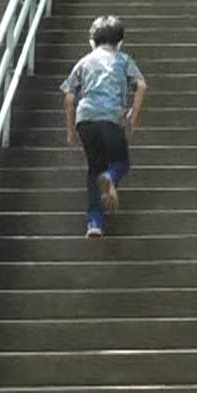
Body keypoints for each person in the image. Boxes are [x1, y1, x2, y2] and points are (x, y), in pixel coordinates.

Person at [61, 15, 148, 238]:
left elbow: (70, 98)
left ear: (92, 42)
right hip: (111, 117)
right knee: (120, 162)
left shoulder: (83, 62)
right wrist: (133, 115)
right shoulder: (123, 60)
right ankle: (110, 177)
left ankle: (94, 223)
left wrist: (71, 130)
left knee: (93, 169)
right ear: (119, 43)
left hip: (86, 119)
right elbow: (141, 85)